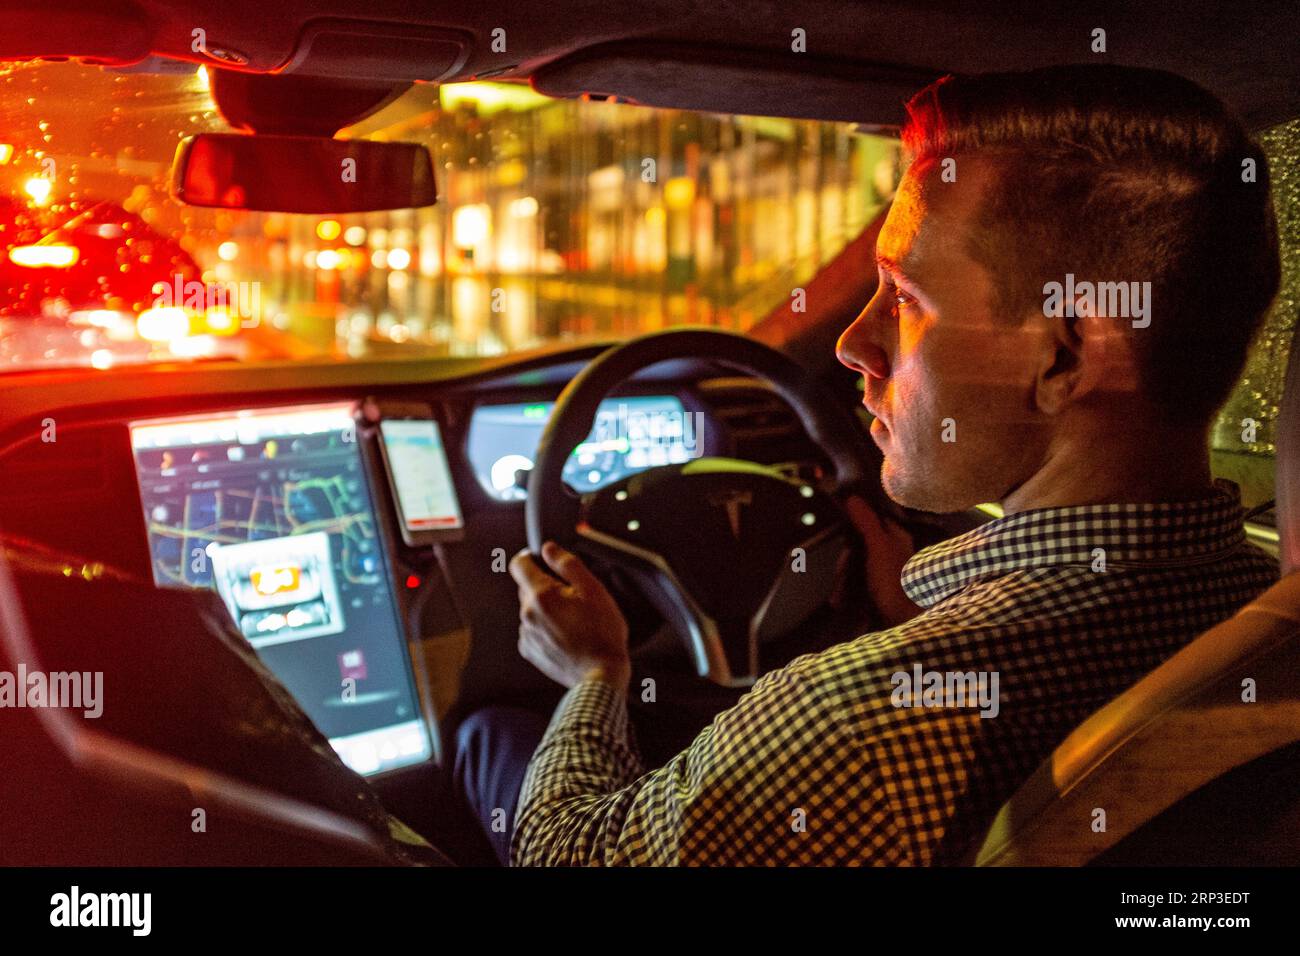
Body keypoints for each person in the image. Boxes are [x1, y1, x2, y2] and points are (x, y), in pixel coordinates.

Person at [461, 64, 1282, 865]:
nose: (854, 345)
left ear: (1065, 356)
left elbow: (565, 850)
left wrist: (594, 676)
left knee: (488, 732)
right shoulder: (1264, 611)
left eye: (906, 298)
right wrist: (912, 617)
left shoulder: (852, 720)